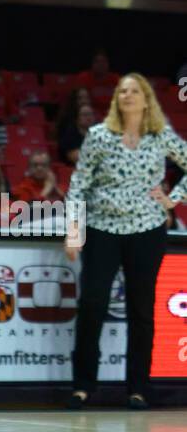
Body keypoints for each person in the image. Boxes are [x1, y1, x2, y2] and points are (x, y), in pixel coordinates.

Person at [65, 74, 187, 410]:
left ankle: (138, 388)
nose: (127, 95)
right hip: (103, 229)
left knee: (141, 311)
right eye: (121, 91)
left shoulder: (160, 136)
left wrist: (172, 198)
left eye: (134, 91)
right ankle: (83, 386)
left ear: (147, 99)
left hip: (147, 231)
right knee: (92, 306)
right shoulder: (99, 136)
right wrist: (74, 233)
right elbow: (79, 185)